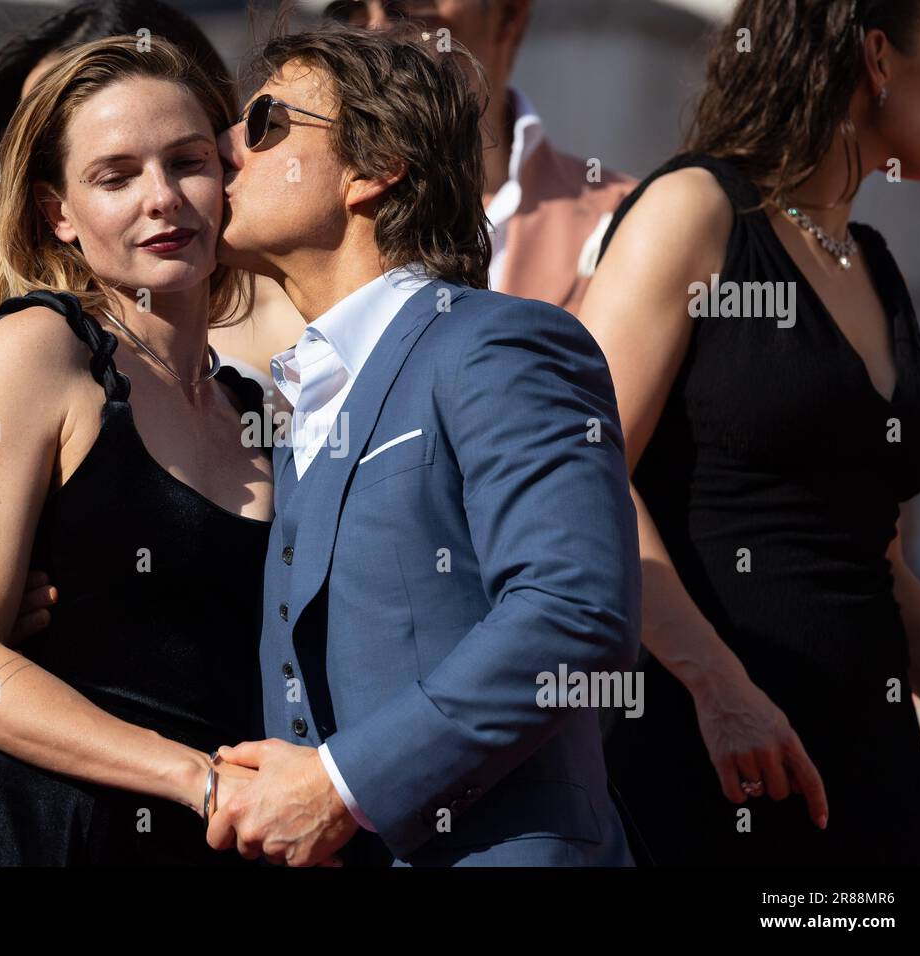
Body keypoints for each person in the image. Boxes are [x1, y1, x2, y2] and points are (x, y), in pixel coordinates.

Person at [203, 25, 641, 866]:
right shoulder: (300, 396)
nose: (224, 149)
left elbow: (575, 611)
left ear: (374, 167)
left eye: (263, 124)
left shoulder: (498, 343)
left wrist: (341, 785)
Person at [0, 1, 280, 866]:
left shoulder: (258, 408)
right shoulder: (38, 348)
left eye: (188, 162)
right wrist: (198, 777)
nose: (162, 198)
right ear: (59, 213)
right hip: (35, 834)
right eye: (116, 177)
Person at [578, 0, 920, 865]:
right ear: (879, 59)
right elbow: (579, 465)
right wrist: (720, 687)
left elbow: (869, 558)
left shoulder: (874, 261)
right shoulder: (694, 211)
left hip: (870, 778)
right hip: (712, 762)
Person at [322, 0, 634, 312]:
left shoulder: (629, 216)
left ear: (509, 16)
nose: (376, 31)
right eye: (353, 12)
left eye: (411, 9)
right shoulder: (310, 216)